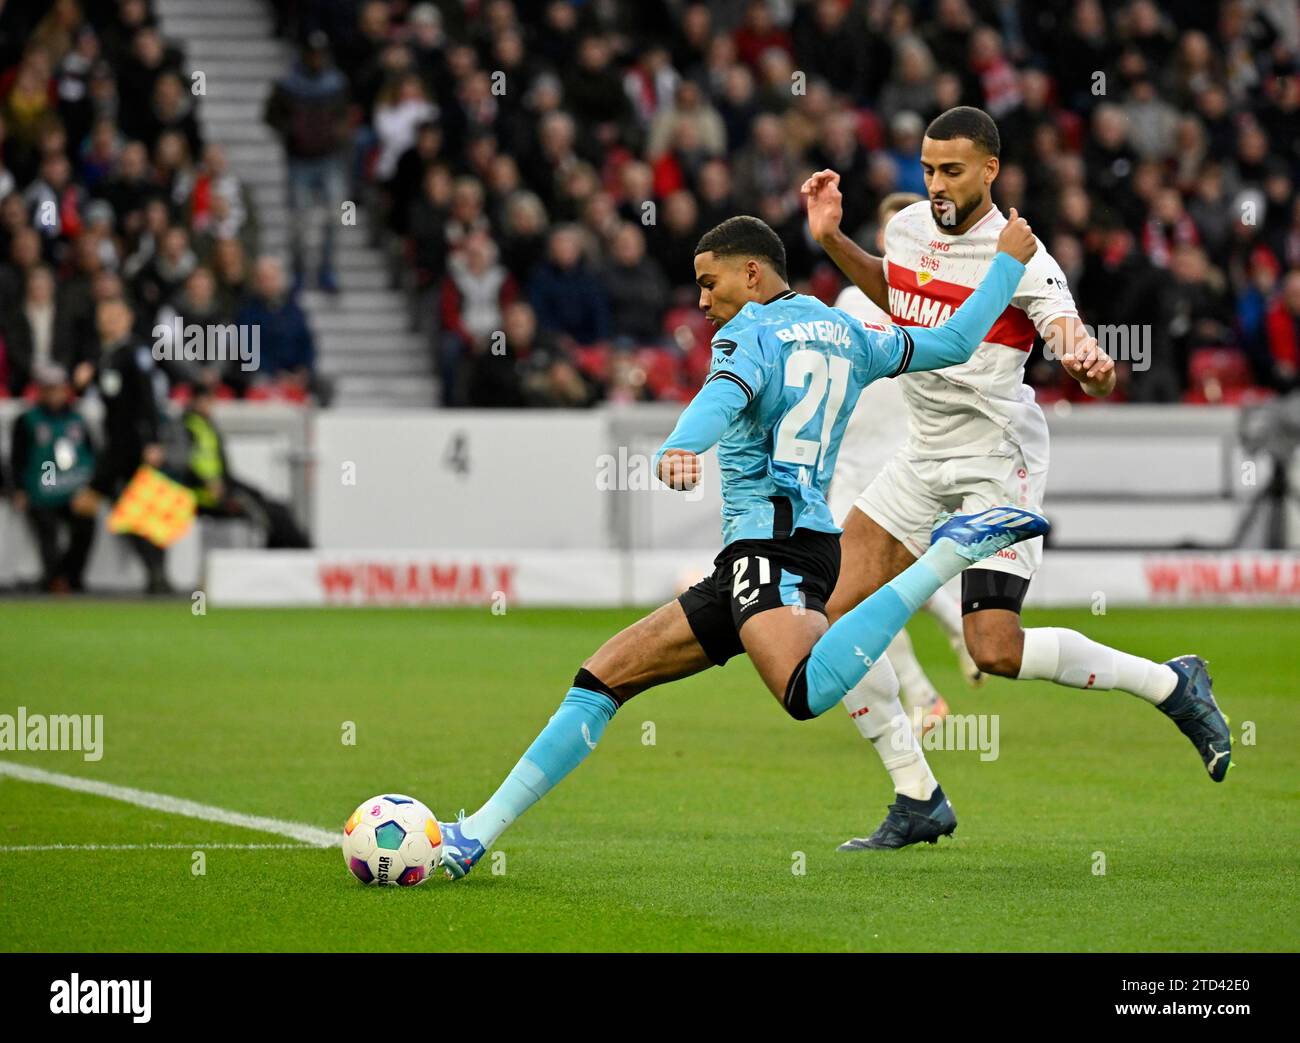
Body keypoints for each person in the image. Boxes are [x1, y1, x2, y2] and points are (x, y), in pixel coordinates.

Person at [436, 212, 1047, 879]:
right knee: (601, 678)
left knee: (803, 690)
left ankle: (946, 556)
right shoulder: (847, 329)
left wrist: (680, 446)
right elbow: (955, 341)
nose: (702, 301)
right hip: (768, 553)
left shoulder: (748, 332)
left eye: (709, 282)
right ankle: (475, 835)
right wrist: (1006, 265)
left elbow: (722, 396)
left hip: (774, 549)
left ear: (751, 273)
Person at [802, 106, 1231, 849]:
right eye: (928, 170)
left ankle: (1171, 684)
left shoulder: (1023, 253)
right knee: (829, 621)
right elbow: (896, 293)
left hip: (998, 460)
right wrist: (832, 240)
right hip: (922, 454)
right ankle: (917, 795)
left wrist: (1089, 365)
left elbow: (1067, 333)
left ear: (991, 170)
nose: (937, 185)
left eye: (952, 170)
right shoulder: (907, 228)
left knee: (995, 649)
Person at [826, 191, 981, 736]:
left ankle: (929, 681)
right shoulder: (852, 297)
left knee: (877, 581)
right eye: (894, 231)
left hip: (907, 459)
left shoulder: (940, 301)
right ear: (879, 238)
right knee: (859, 587)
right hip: (853, 462)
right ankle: (932, 679)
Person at [76, 297, 172, 594]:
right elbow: (109, 391)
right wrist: (86, 381)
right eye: (105, 316)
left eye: (115, 316)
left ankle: (68, 575)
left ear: (128, 319)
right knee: (132, 510)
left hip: (131, 444)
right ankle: (156, 575)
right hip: (115, 442)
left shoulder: (135, 352)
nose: (109, 321)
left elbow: (148, 399)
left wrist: (153, 441)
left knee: (94, 504)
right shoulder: (106, 354)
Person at [264, 32, 349, 293]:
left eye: (320, 54)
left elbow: (346, 115)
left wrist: (339, 132)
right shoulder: (288, 85)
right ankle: (299, 271)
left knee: (337, 215)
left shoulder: (336, 84)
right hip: (299, 161)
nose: (316, 59)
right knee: (299, 221)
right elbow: (270, 116)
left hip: (329, 159)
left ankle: (327, 269)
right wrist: (291, 132)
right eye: (312, 54)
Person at [178, 386, 310, 548]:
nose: (210, 405)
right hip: (206, 494)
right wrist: (206, 483)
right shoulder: (186, 427)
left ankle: (296, 550)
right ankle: (301, 551)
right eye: (206, 400)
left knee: (275, 506)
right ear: (195, 401)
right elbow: (184, 464)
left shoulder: (206, 425)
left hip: (222, 486)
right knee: (263, 513)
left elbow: (219, 466)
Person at [8, 363, 96, 592]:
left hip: (73, 489)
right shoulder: (27, 420)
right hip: (41, 490)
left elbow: (90, 453)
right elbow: (17, 458)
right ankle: (54, 579)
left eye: (56, 388)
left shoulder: (77, 419)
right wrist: (19, 489)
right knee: (47, 531)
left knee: (85, 526)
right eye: (47, 389)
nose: (53, 394)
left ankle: (70, 577)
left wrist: (91, 488)